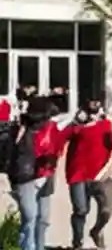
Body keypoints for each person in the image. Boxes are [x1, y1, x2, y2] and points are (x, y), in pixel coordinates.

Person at [7, 96, 71, 250]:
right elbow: (11, 154)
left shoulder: (52, 127)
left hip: (46, 174)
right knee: (30, 216)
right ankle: (27, 247)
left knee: (43, 218)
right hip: (25, 176)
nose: (47, 121)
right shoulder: (20, 130)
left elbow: (61, 143)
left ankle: (39, 246)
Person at [65, 98, 112, 250]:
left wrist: (108, 168)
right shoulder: (76, 128)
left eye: (96, 111)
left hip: (101, 175)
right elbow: (62, 136)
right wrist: (76, 122)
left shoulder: (106, 125)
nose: (93, 116)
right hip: (78, 175)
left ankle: (96, 231)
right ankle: (77, 243)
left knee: (106, 211)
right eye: (90, 112)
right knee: (81, 210)